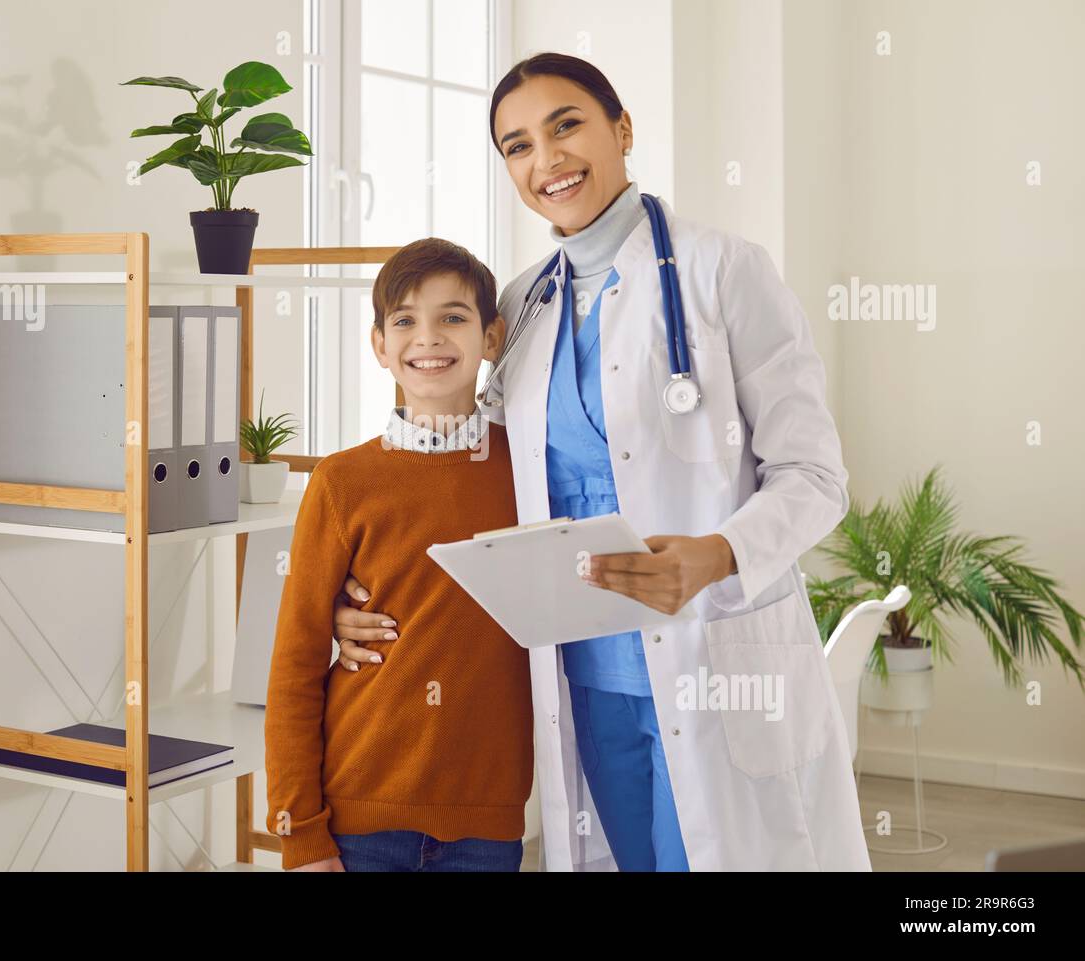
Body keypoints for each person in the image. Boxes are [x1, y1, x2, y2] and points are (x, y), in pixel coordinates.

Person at [329, 53, 873, 871]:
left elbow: (816, 476)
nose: (545, 161)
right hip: (585, 673)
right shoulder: (520, 304)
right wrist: (359, 598)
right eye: (516, 146)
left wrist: (719, 554)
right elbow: (466, 470)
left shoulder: (724, 271)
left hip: (714, 652)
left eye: (566, 125)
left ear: (621, 129)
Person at [264, 238, 533, 872]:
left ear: (491, 337)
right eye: (406, 320)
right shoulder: (341, 481)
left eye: (453, 317)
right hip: (359, 816)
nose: (429, 338)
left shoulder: (532, 474)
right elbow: (295, 665)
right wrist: (299, 833)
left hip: (488, 821)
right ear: (380, 345)